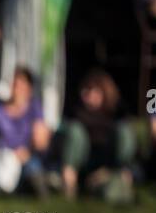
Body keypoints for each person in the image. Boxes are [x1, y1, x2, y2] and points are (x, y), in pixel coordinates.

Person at [54, 68, 136, 202]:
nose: (86, 95)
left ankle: (119, 176)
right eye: (85, 91)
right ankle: (69, 181)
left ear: (103, 92)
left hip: (108, 161)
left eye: (92, 91)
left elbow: (125, 140)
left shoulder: (116, 112)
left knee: (125, 131)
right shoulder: (75, 111)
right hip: (83, 160)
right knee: (75, 131)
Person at [0, 66, 51, 195]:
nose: (16, 88)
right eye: (14, 83)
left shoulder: (35, 109)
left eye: (20, 85)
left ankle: (29, 185)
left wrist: (27, 152)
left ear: (29, 89)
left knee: (31, 170)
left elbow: (41, 140)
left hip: (23, 157)